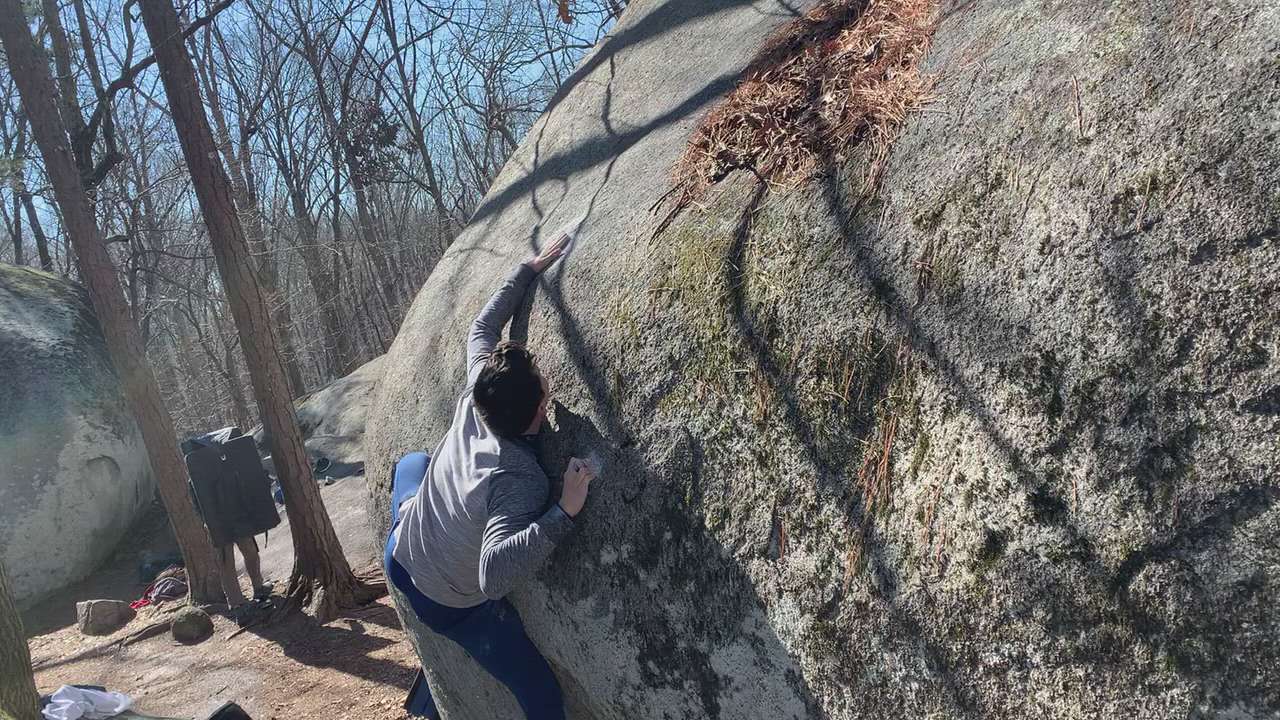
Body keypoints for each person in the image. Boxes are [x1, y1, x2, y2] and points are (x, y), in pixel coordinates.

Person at [384, 232, 594, 720]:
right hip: (445, 601)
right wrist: (564, 511)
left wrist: (526, 271)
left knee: (410, 464)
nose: (548, 387)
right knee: (542, 696)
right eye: (544, 389)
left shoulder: (479, 387)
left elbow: (482, 327)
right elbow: (493, 573)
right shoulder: (520, 478)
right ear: (537, 413)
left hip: (401, 550)